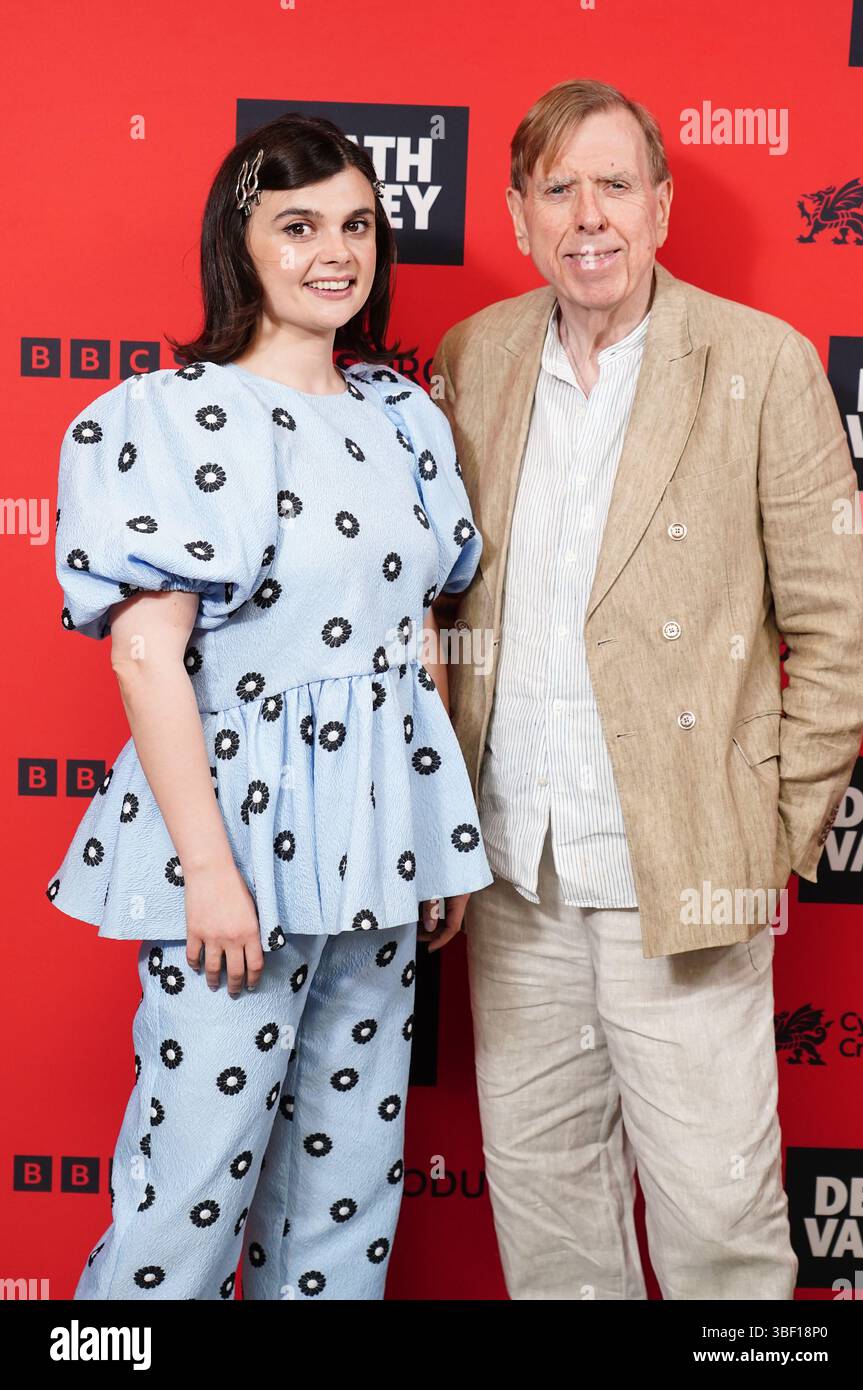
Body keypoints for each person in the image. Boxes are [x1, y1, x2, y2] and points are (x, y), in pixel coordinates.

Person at [430, 78, 863, 1300]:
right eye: (557, 187)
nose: (588, 216)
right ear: (518, 212)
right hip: (517, 875)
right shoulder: (475, 359)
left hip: (682, 873)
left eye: (614, 184)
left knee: (719, 1222)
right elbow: (451, 605)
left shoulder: (759, 364)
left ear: (662, 207)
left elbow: (836, 634)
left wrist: (760, 835)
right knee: (550, 1218)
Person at [46, 111, 493, 1301]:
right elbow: (147, 658)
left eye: (355, 225)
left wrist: (432, 831)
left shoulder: (404, 421)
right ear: (238, 244)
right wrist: (209, 870)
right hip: (232, 838)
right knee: (186, 1184)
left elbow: (421, 633)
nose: (331, 253)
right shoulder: (172, 415)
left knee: (348, 1188)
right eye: (296, 226)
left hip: (375, 845)